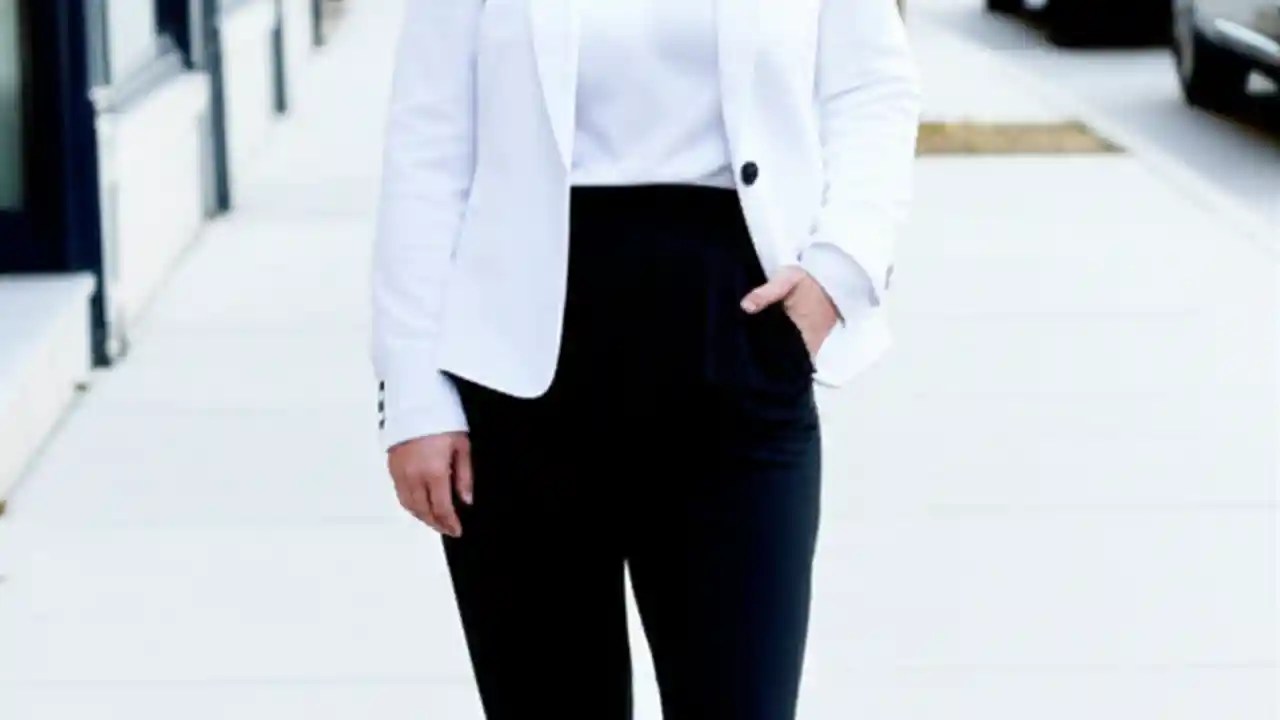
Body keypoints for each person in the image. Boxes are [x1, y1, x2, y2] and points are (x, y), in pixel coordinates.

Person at [370, 0, 921, 717]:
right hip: (519, 376)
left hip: (737, 350)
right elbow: (427, 146)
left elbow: (872, 87)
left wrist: (839, 271)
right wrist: (414, 392)